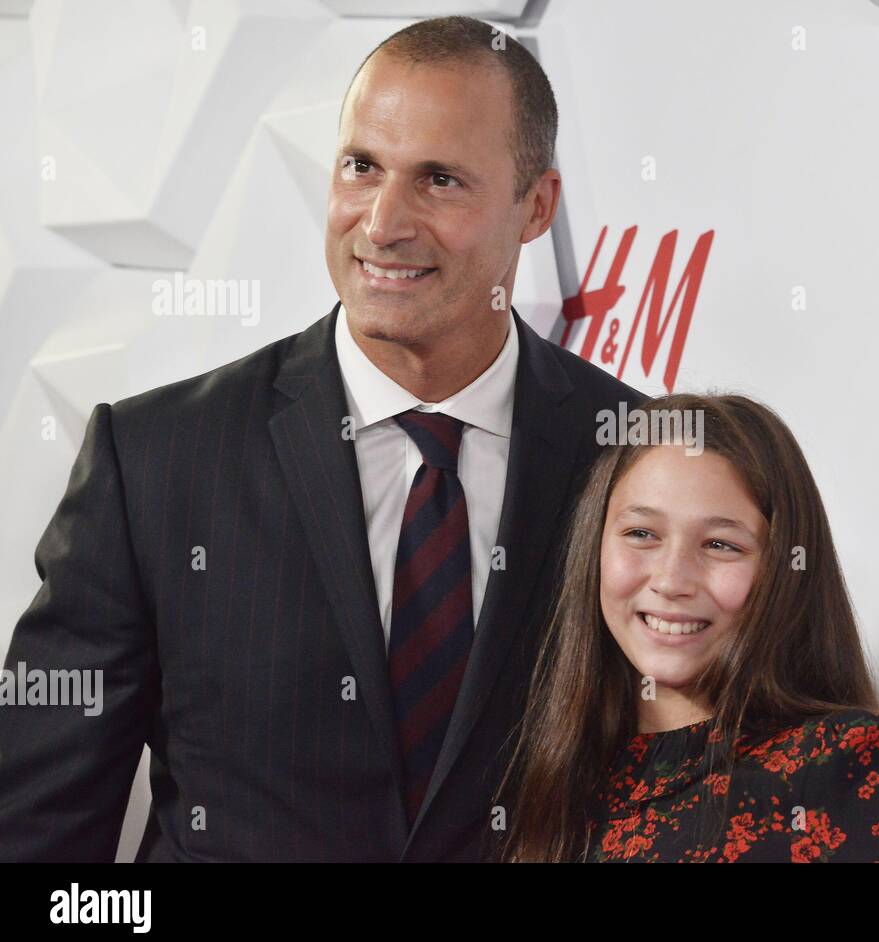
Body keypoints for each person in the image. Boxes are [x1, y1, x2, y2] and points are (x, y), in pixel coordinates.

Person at [0, 16, 645, 861]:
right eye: (361, 167)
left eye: (440, 180)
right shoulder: (155, 460)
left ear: (537, 208)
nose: (382, 222)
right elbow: (37, 835)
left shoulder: (635, 457)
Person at [495, 393, 879, 862]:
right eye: (641, 533)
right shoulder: (560, 779)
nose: (672, 579)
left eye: (721, 544)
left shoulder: (836, 771)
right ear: (595, 547)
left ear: (783, 569)